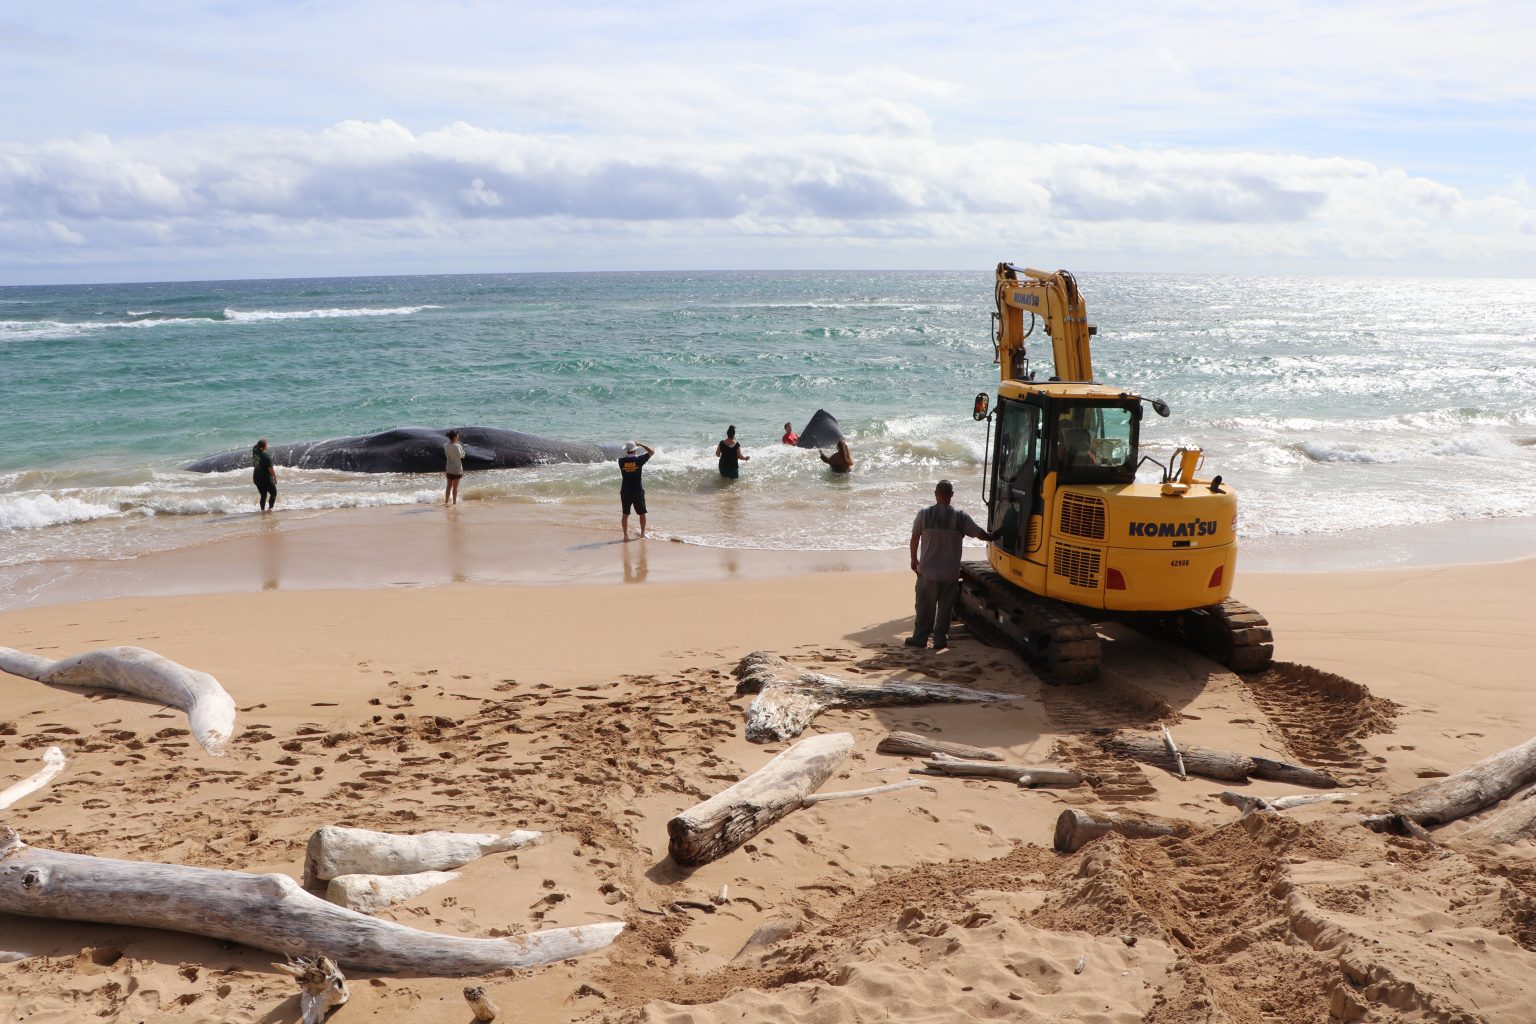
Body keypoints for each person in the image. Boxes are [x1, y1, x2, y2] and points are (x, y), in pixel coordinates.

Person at [906, 480, 992, 650]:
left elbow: (915, 538)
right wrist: (994, 537)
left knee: (925, 606)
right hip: (950, 573)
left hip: (928, 572)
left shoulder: (924, 514)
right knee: (945, 608)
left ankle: (920, 638)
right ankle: (939, 640)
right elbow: (980, 534)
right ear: (952, 495)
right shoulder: (961, 517)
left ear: (935, 494)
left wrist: (913, 559)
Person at [618, 441, 654, 539]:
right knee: (642, 513)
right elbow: (652, 452)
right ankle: (642, 534)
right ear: (635, 450)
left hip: (625, 490)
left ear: (626, 450)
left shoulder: (621, 461)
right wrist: (641, 444)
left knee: (625, 514)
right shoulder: (639, 460)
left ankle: (625, 535)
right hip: (637, 491)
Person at [252, 439, 277, 512]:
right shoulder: (267, 456)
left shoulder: (255, 451)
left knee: (263, 495)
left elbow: (255, 446)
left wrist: (260, 444)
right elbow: (270, 469)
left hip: (256, 477)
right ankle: (270, 509)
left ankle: (262, 510)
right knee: (274, 493)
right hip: (266, 479)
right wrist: (275, 477)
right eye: (267, 444)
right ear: (264, 446)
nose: (268, 445)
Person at [443, 429, 466, 505]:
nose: (458, 437)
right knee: (455, 488)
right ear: (455, 437)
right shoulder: (458, 446)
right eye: (457, 436)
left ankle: (446, 502)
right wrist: (461, 448)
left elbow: (447, 455)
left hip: (449, 468)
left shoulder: (445, 446)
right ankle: (454, 503)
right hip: (457, 469)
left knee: (448, 487)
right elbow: (462, 456)